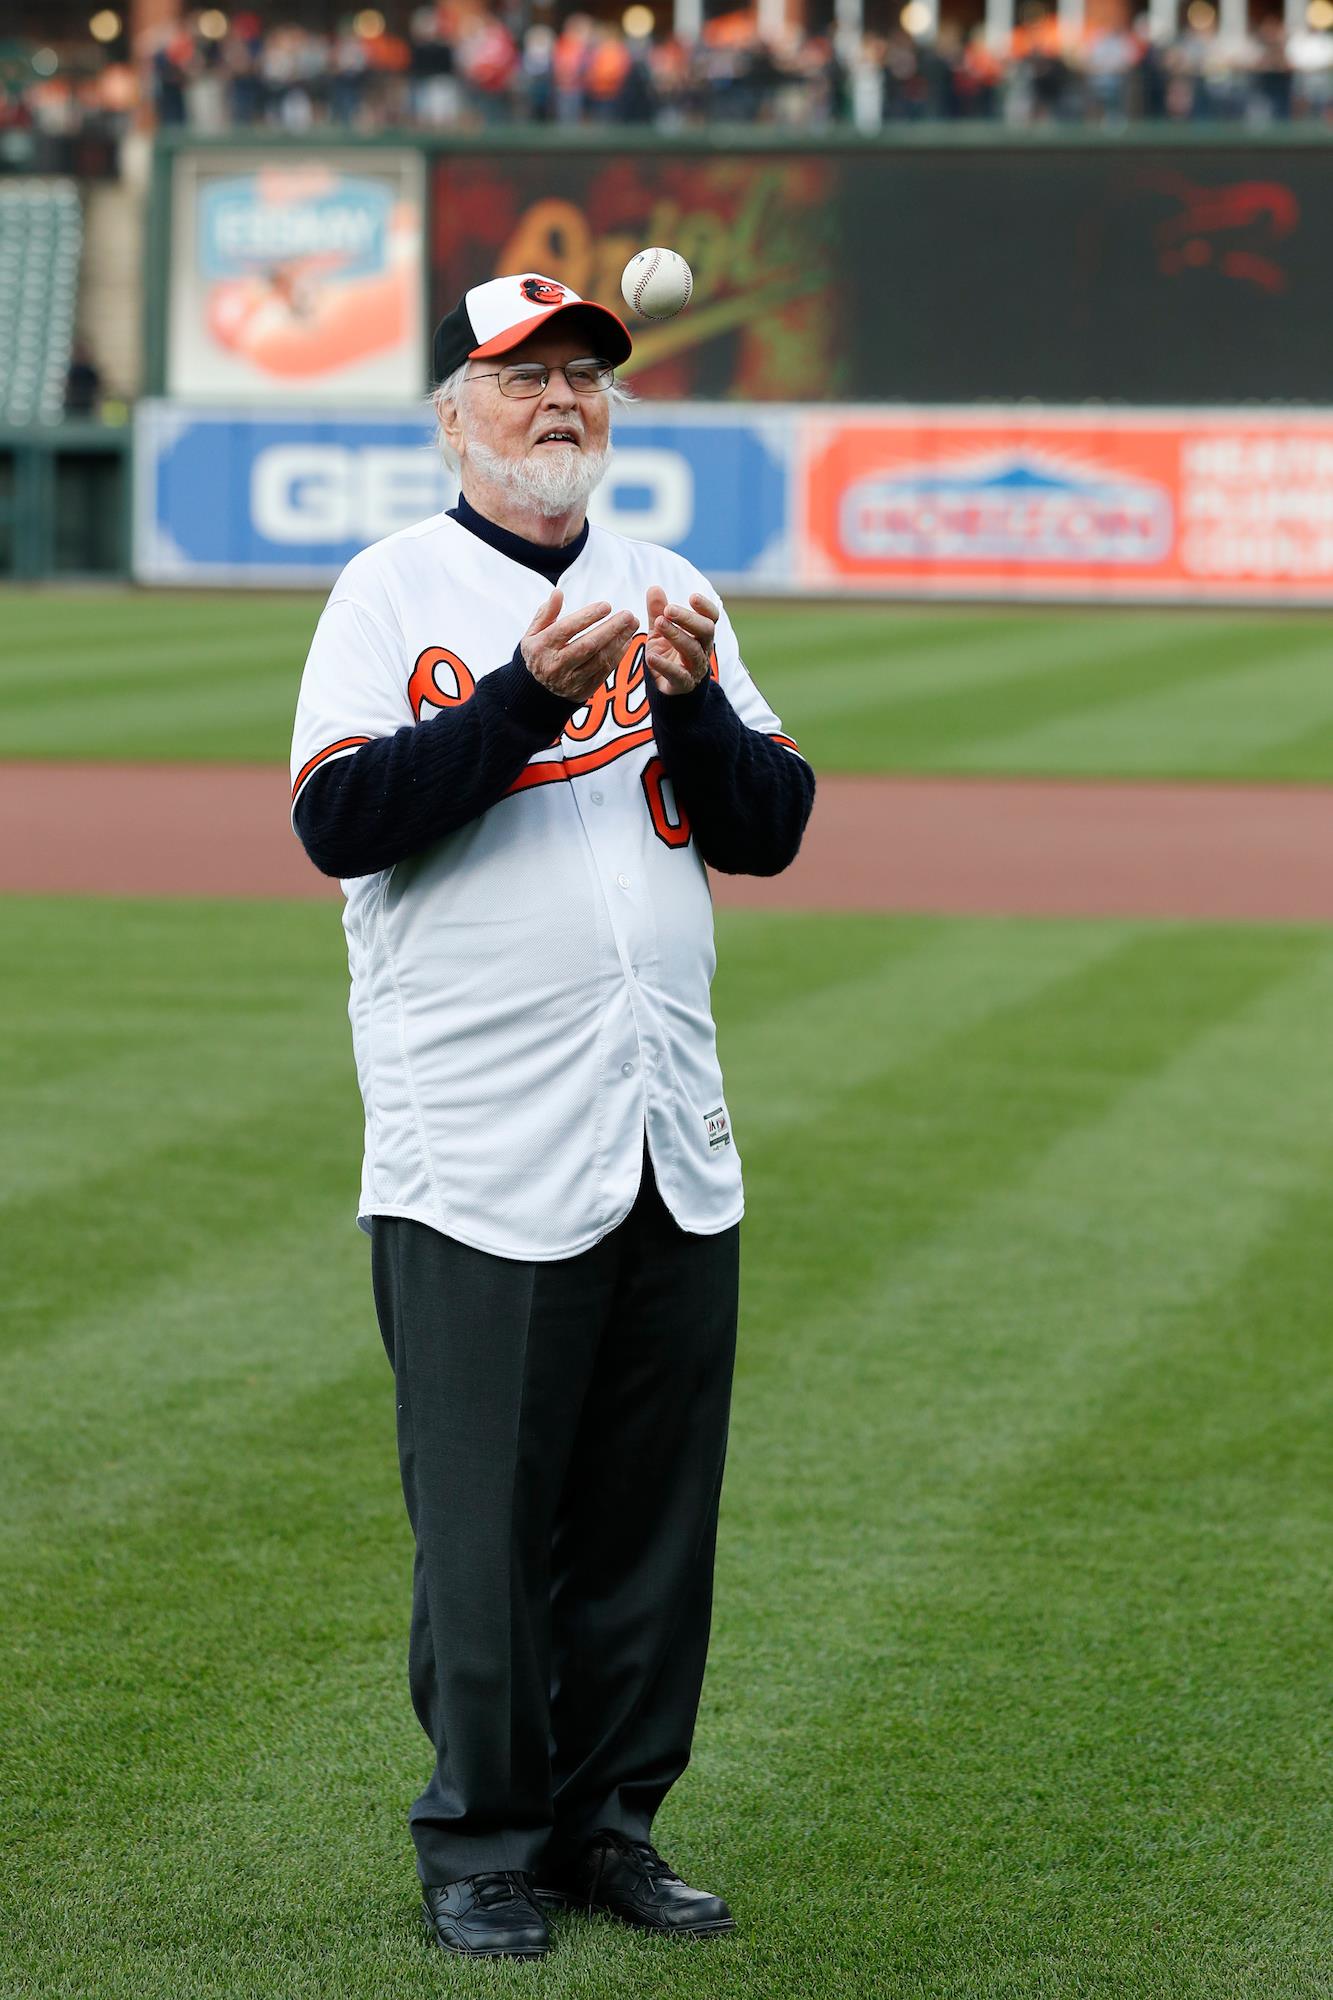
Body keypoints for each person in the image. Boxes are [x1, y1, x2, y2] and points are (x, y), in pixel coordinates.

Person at [289, 272, 815, 1961]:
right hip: (479, 1140)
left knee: (650, 1521)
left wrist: (686, 702)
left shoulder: (672, 588)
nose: (561, 400)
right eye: (525, 378)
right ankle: (481, 1844)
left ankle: (610, 1825)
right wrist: (517, 696)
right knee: (491, 1522)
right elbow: (342, 821)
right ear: (455, 410)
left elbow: (770, 825)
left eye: (585, 374)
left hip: (667, 1125)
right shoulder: (390, 590)